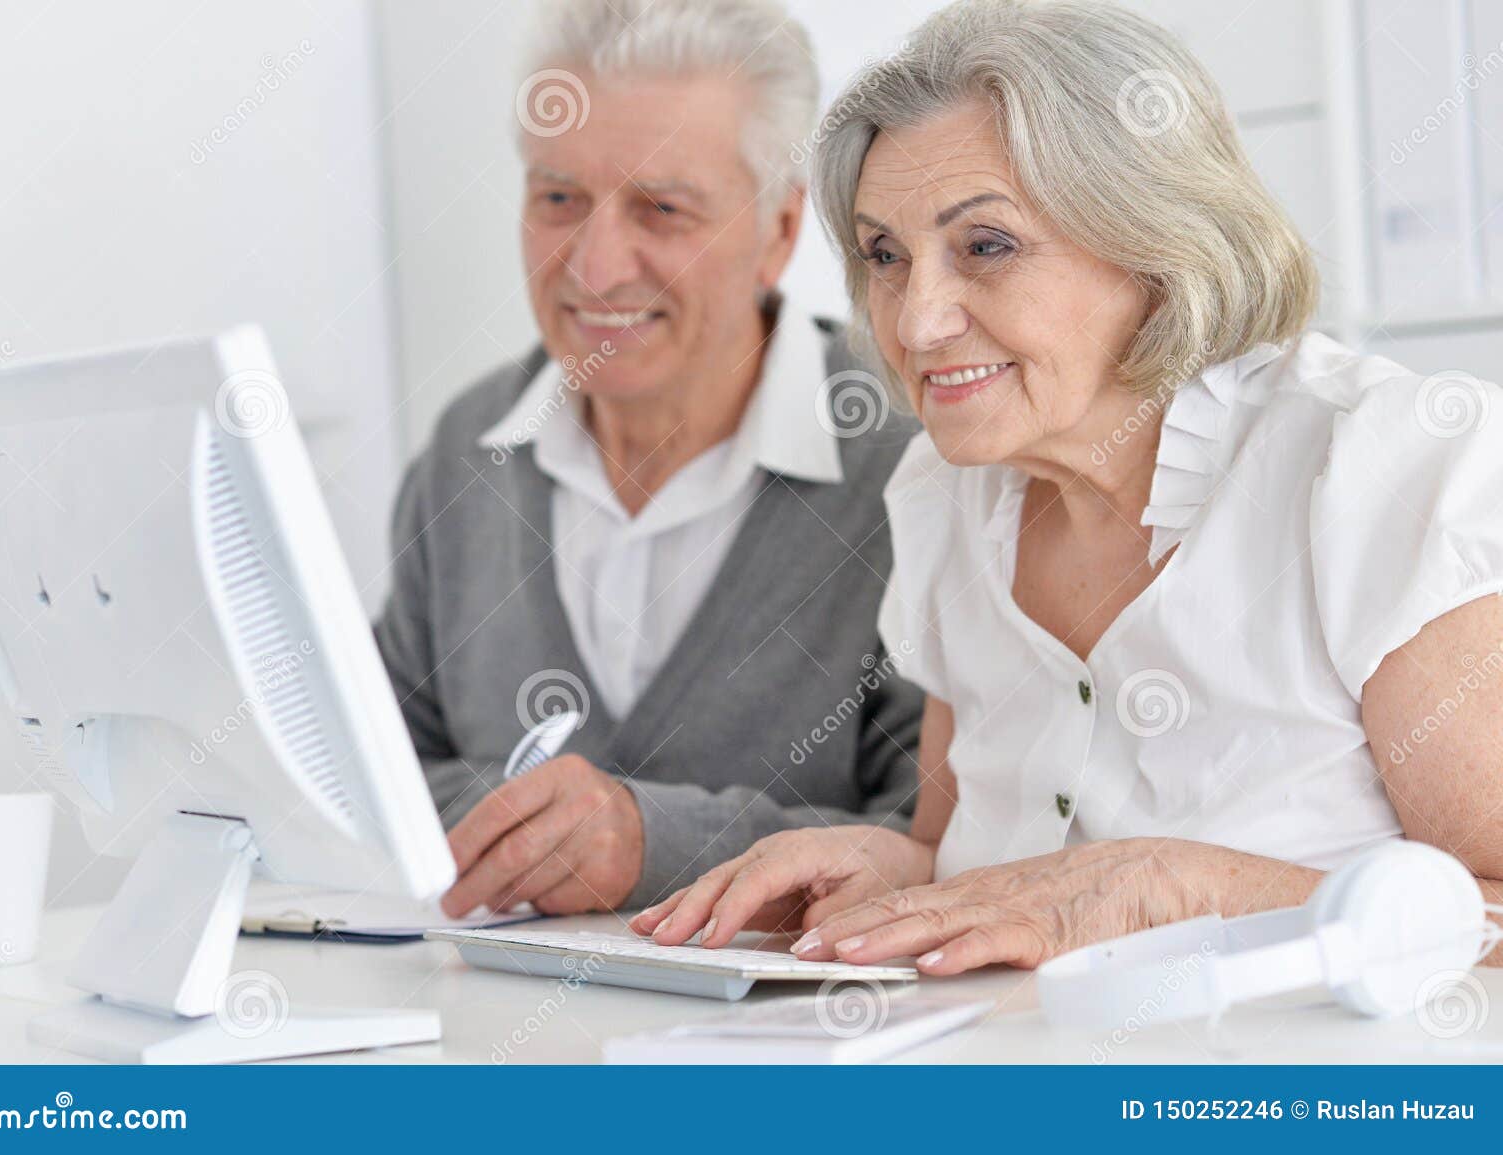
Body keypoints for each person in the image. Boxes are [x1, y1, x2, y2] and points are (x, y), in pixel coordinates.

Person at [633, 0, 1503, 972]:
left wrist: (1175, 887)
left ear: (1155, 244)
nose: (916, 322)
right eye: (886, 257)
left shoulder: (1378, 468)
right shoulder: (944, 497)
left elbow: (1494, 919)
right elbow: (971, 856)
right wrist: (891, 868)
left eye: (986, 245)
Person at [375, 0, 923, 918]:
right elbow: (370, 774)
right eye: (559, 199)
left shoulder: (910, 463)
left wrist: (649, 842)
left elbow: (941, 841)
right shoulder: (467, 453)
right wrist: (549, 837)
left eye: (662, 209)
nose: (595, 268)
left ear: (780, 232)